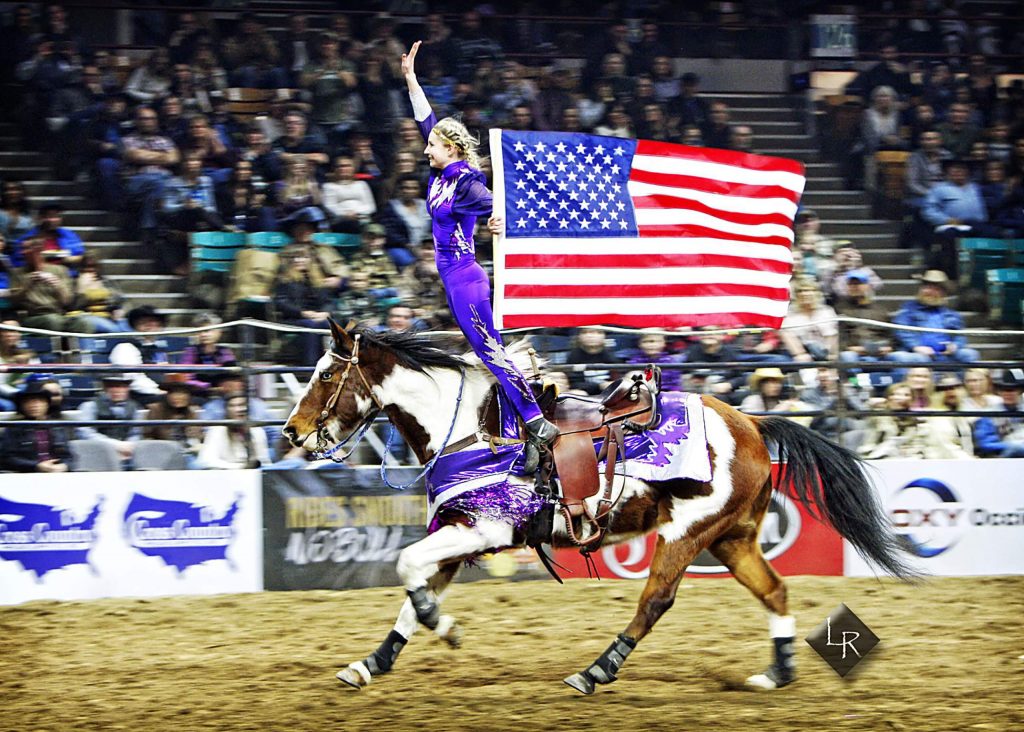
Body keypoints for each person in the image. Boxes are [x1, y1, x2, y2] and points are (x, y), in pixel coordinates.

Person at [401, 41, 557, 472]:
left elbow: (497, 205)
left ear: (450, 148)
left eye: (431, 145)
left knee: (491, 354)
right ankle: (517, 428)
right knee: (485, 354)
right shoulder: (443, 172)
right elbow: (425, 120)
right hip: (452, 279)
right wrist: (412, 79)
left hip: (466, 277)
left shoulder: (466, 181)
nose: (424, 149)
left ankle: (536, 423)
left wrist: (497, 220)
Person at [892, 270, 980, 363]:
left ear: (943, 293)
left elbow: (959, 335)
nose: (931, 292)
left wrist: (955, 346)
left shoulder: (952, 315)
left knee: (970, 354)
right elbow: (902, 331)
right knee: (915, 358)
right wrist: (916, 347)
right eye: (928, 287)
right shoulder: (908, 310)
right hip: (917, 353)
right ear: (921, 289)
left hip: (946, 355)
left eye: (936, 289)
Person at [0, 380, 71, 472]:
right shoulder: (13, 427)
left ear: (47, 404)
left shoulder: (57, 426)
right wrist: (36, 466)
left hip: (56, 473)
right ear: (22, 406)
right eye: (28, 402)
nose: (34, 405)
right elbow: (6, 459)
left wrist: (65, 466)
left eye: (39, 401)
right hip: (25, 475)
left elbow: (69, 456)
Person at [75, 374, 143, 466]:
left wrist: (130, 446)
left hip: (127, 453)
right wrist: (116, 445)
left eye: (122, 386)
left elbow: (135, 433)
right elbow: (85, 432)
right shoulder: (90, 405)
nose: (117, 390)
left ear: (127, 389)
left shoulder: (133, 406)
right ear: (105, 388)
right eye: (112, 386)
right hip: (97, 452)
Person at [109, 305, 170, 403]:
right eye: (144, 321)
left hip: (163, 392)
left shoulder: (160, 349)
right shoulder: (125, 347)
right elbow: (132, 378)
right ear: (135, 325)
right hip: (139, 395)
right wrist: (157, 391)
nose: (150, 324)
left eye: (154, 321)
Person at [197, 391, 271, 469]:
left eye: (242, 405)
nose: (239, 410)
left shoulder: (257, 431)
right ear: (226, 410)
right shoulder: (217, 431)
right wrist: (241, 467)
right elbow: (206, 461)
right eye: (233, 406)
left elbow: (264, 462)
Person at [142, 373, 202, 466]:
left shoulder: (193, 411)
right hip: (163, 453)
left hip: (189, 453)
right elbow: (147, 436)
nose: (176, 397)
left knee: (198, 465)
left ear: (188, 396)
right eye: (173, 392)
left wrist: (196, 445)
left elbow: (197, 437)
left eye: (182, 393)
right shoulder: (155, 409)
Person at [972, 369, 1024, 458]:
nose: (1008, 394)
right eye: (1004, 390)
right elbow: (984, 443)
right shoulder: (989, 414)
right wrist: (1011, 446)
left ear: (1019, 391)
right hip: (999, 458)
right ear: (999, 392)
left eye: (1012, 390)